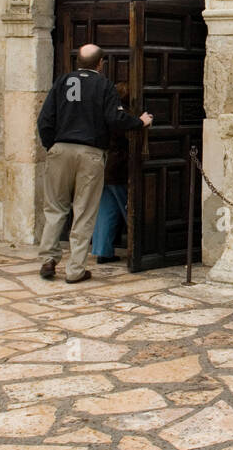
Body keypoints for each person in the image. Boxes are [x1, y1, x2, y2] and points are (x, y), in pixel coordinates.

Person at [36, 44, 152, 283]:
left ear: (78, 62)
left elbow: (45, 119)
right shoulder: (104, 85)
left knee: (55, 208)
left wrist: (53, 147)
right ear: (100, 64)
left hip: (60, 149)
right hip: (90, 152)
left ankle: (48, 259)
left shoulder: (62, 81)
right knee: (84, 211)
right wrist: (139, 122)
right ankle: (75, 270)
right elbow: (114, 118)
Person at [91, 80, 133, 264]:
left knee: (106, 209)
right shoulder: (122, 115)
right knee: (128, 207)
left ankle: (102, 250)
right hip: (119, 168)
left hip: (103, 166)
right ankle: (139, 247)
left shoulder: (101, 113)